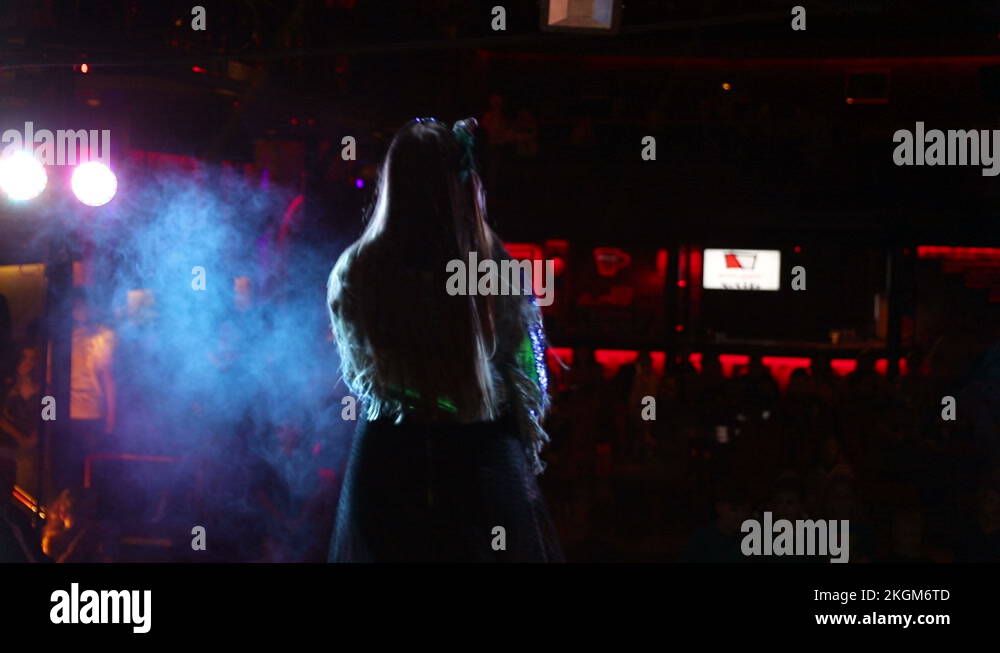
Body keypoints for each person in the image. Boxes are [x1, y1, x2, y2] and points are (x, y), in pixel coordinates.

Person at [326, 117, 562, 562]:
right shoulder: (493, 267)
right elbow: (527, 377)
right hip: (480, 457)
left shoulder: (358, 267)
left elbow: (360, 372)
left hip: (391, 455)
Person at [59, 290, 116, 492]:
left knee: (89, 469)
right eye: (76, 306)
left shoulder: (103, 335)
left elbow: (107, 378)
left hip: (90, 412)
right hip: (71, 412)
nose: (79, 311)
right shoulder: (64, 337)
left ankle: (85, 512)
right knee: (77, 471)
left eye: (82, 306)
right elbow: (49, 379)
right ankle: (72, 513)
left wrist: (110, 417)